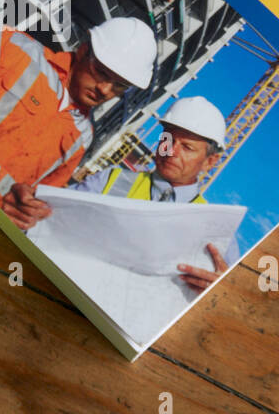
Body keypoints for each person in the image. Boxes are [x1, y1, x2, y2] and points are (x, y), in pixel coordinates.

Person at [0, 17, 157, 230]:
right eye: (101, 72)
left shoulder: (82, 136)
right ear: (83, 50)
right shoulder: (15, 50)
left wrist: (28, 213)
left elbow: (38, 197)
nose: (105, 90)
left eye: (119, 86)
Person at [75, 95, 231, 291]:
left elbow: (228, 296)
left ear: (210, 162)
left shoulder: (218, 228)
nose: (171, 151)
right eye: (167, 139)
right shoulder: (107, 181)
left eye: (187, 147)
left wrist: (221, 289)